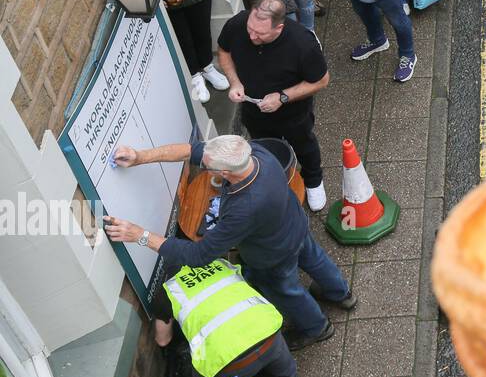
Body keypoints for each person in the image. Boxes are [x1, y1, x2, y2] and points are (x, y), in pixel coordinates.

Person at [106, 134, 353, 350]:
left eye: (207, 166)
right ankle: (340, 293)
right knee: (315, 258)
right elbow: (191, 150)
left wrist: (140, 235)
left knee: (287, 290)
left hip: (273, 255)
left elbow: (199, 255)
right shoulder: (253, 153)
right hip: (295, 224)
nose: (202, 164)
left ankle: (317, 328)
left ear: (223, 173)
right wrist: (140, 156)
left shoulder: (244, 208)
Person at [216, 0, 330, 210]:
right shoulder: (238, 24)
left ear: (278, 28)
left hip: (293, 113)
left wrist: (283, 97)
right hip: (253, 110)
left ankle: (314, 181)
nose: (251, 36)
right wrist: (235, 83)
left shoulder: (302, 44)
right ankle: (277, 181)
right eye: (250, 28)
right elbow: (224, 51)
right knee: (265, 149)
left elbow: (322, 80)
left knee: (304, 144)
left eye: (260, 34)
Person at [152, 257, 300, 377]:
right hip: (269, 336)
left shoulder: (169, 291)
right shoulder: (220, 262)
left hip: (229, 365)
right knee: (280, 359)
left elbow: (163, 340)